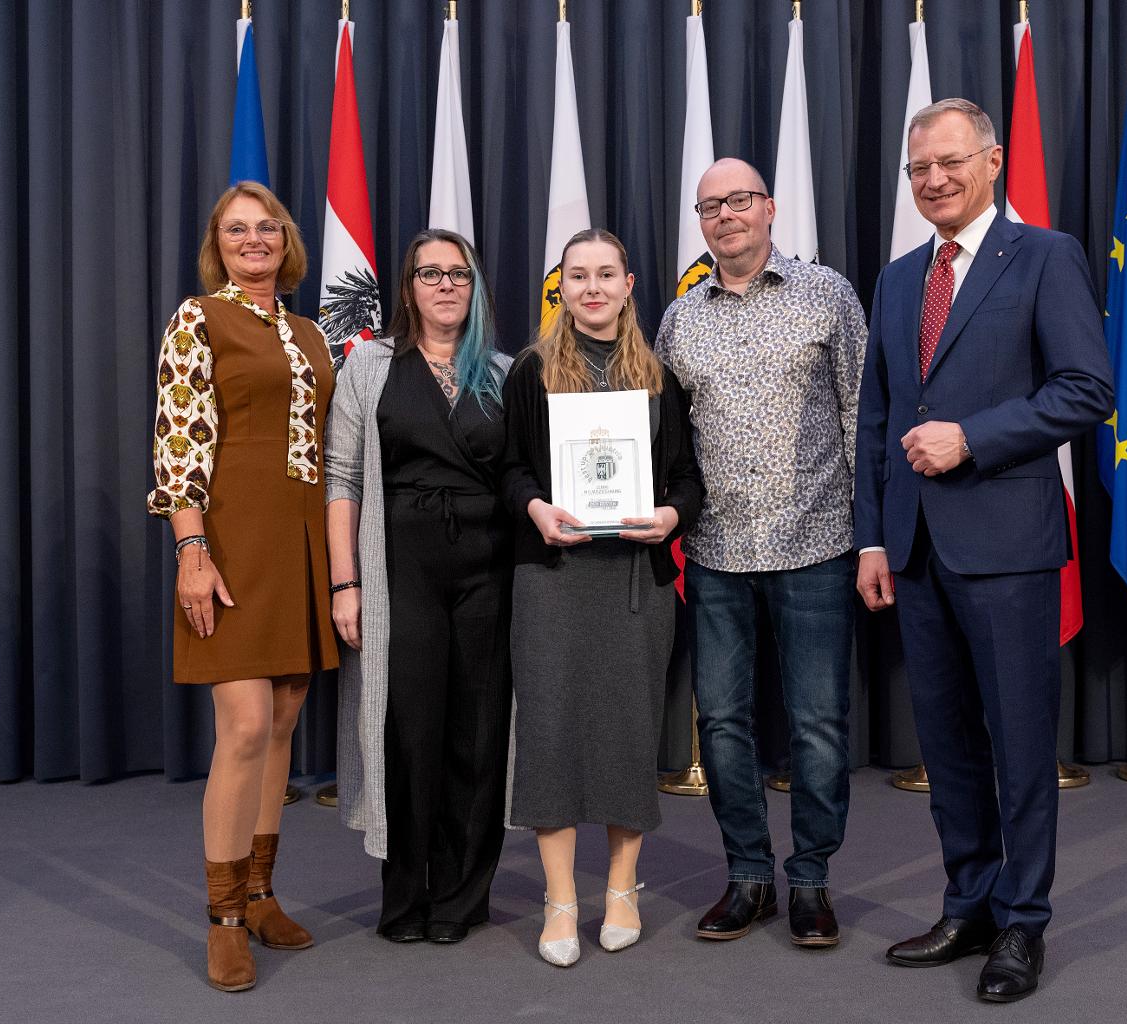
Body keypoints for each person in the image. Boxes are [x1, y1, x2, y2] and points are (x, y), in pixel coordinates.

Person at [854, 98, 1114, 1003]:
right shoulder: (894, 281)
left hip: (1009, 546)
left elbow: (1088, 390)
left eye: (949, 163)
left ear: (993, 161)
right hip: (918, 552)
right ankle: (966, 902)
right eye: (918, 169)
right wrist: (875, 538)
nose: (933, 180)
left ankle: (1022, 925)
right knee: (950, 748)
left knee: (1018, 744)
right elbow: (879, 422)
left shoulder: (1045, 257)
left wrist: (976, 436)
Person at [655, 159, 867, 949]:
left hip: (816, 545)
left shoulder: (828, 295)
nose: (725, 216)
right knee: (723, 725)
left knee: (816, 724)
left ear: (769, 208)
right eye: (710, 206)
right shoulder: (680, 319)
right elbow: (667, 440)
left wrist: (871, 537)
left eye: (738, 200)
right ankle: (748, 876)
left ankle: (810, 880)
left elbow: (861, 417)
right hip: (714, 553)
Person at [146, 181, 336, 992]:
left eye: (267, 228)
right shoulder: (198, 318)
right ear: (217, 243)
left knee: (285, 714)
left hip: (299, 537)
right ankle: (223, 917)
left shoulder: (309, 332)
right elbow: (179, 436)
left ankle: (261, 894)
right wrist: (192, 549)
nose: (254, 240)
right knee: (247, 724)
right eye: (237, 229)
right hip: (230, 534)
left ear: (286, 240)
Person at [502, 229, 703, 967]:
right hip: (551, 580)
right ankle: (560, 899)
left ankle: (622, 889)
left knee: (625, 730)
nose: (592, 288)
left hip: (633, 582)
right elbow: (510, 470)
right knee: (552, 733)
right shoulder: (530, 373)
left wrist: (672, 516)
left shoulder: (660, 377)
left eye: (604, 275)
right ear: (564, 288)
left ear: (628, 284)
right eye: (577, 276)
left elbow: (688, 479)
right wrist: (535, 510)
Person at [323, 229, 513, 945]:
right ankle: (405, 897)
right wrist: (347, 583)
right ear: (408, 287)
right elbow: (341, 479)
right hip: (398, 569)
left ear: (475, 287)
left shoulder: (500, 370)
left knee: (477, 732)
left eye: (457, 273)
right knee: (408, 732)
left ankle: (462, 897)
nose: (444, 285)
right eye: (429, 273)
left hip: (487, 574)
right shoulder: (368, 366)